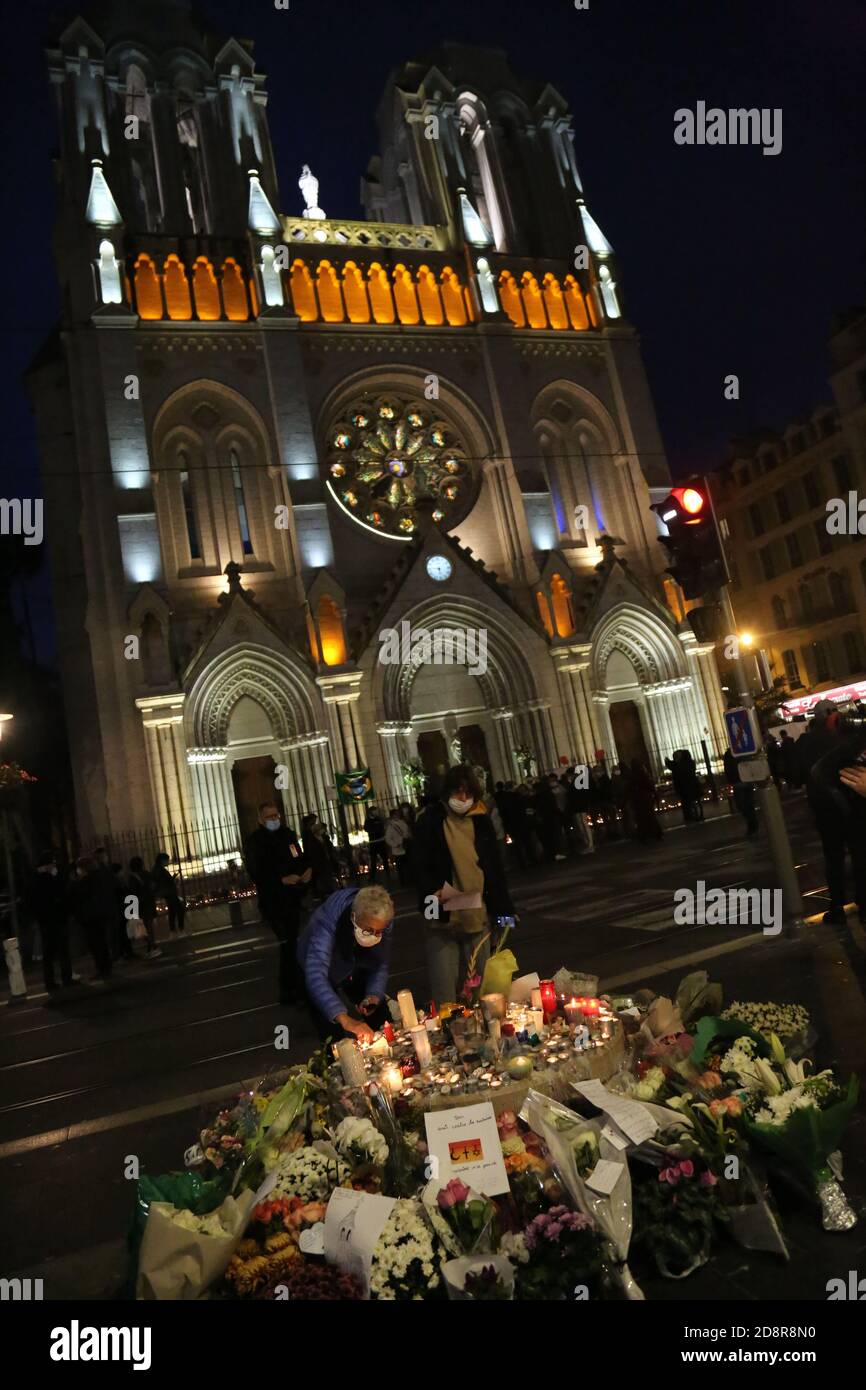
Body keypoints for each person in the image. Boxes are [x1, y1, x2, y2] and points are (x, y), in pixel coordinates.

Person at [413, 764, 514, 1005]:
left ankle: (488, 1032)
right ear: (447, 792)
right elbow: (419, 864)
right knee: (444, 987)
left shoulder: (481, 821)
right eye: (459, 792)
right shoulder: (430, 821)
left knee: (484, 989)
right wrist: (431, 893)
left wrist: (506, 913)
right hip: (441, 910)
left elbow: (493, 871)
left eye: (468, 793)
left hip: (477, 911)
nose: (464, 798)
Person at [298, 884, 394, 1042]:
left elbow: (380, 963)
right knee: (333, 1036)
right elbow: (316, 975)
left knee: (382, 1020)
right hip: (317, 968)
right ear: (354, 917)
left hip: (356, 962)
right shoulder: (328, 921)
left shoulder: (384, 920)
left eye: (379, 932)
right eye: (369, 930)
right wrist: (346, 1020)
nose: (375, 936)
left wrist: (373, 995)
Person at [246, 801, 311, 1005]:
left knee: (293, 943)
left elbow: (298, 856)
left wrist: (305, 870)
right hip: (274, 901)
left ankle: (291, 988)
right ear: (260, 819)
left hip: (293, 898)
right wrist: (280, 879)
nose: (274, 820)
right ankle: (293, 989)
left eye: (276, 816)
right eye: (269, 817)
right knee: (288, 944)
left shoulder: (287, 834)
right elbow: (256, 871)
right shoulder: (255, 841)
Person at [807, 715, 866, 926]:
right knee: (859, 854)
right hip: (849, 806)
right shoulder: (853, 742)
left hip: (831, 810)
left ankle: (838, 906)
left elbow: (813, 772)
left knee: (835, 858)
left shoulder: (814, 741)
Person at [28, 852, 74, 994]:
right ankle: (65, 978)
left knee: (50, 953)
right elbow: (59, 893)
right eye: (52, 864)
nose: (54, 866)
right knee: (61, 951)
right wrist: (55, 877)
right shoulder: (48, 879)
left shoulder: (34, 879)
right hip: (55, 920)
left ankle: (52, 981)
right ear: (47, 865)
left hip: (46, 922)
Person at [67, 856, 113, 981]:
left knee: (95, 944)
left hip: (91, 917)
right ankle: (106, 967)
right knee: (102, 942)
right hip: (100, 914)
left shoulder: (85, 882)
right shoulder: (100, 877)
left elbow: (78, 896)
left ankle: (102, 968)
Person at [128, 856, 161, 957]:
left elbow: (132, 893)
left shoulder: (132, 877)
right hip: (149, 903)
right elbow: (154, 886)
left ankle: (152, 947)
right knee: (148, 926)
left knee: (143, 928)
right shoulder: (146, 874)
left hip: (140, 905)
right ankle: (152, 946)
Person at [301, 814, 340, 900]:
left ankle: (329, 892)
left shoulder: (324, 837)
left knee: (327, 876)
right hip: (319, 861)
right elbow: (312, 851)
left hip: (326, 860)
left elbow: (328, 847)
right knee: (320, 878)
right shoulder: (310, 837)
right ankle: (321, 893)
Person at [723, 747, 758, 838]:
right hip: (742, 781)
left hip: (740, 781)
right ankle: (752, 823)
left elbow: (728, 769)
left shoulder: (732, 754)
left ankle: (752, 824)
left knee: (745, 805)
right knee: (746, 805)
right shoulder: (741, 752)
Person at [626, 760, 663, 841]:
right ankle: (656, 833)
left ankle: (644, 835)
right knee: (650, 816)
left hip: (638, 800)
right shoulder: (643, 774)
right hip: (646, 798)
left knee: (641, 818)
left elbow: (629, 789)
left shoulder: (631, 776)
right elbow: (650, 785)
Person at [152, 852, 186, 933]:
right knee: (179, 909)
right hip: (169, 893)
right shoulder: (159, 870)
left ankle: (174, 929)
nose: (168, 862)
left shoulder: (158, 869)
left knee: (173, 910)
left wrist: (174, 876)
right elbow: (164, 881)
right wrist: (174, 880)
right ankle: (179, 928)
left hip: (168, 892)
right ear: (162, 860)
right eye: (167, 860)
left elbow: (164, 880)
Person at [384, 807, 412, 886]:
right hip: (399, 848)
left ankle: (406, 881)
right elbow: (388, 838)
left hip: (403, 847)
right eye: (396, 813)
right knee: (402, 868)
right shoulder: (392, 825)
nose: (398, 814)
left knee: (404, 867)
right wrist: (396, 844)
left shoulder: (401, 822)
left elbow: (407, 832)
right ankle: (404, 882)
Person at [363, 803, 389, 882]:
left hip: (381, 841)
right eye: (375, 811)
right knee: (373, 860)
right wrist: (377, 829)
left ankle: (388, 874)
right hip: (373, 842)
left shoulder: (379, 819)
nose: (376, 812)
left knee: (385, 858)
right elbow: (368, 829)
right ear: (371, 812)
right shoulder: (368, 821)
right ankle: (372, 877)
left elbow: (382, 827)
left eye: (376, 811)